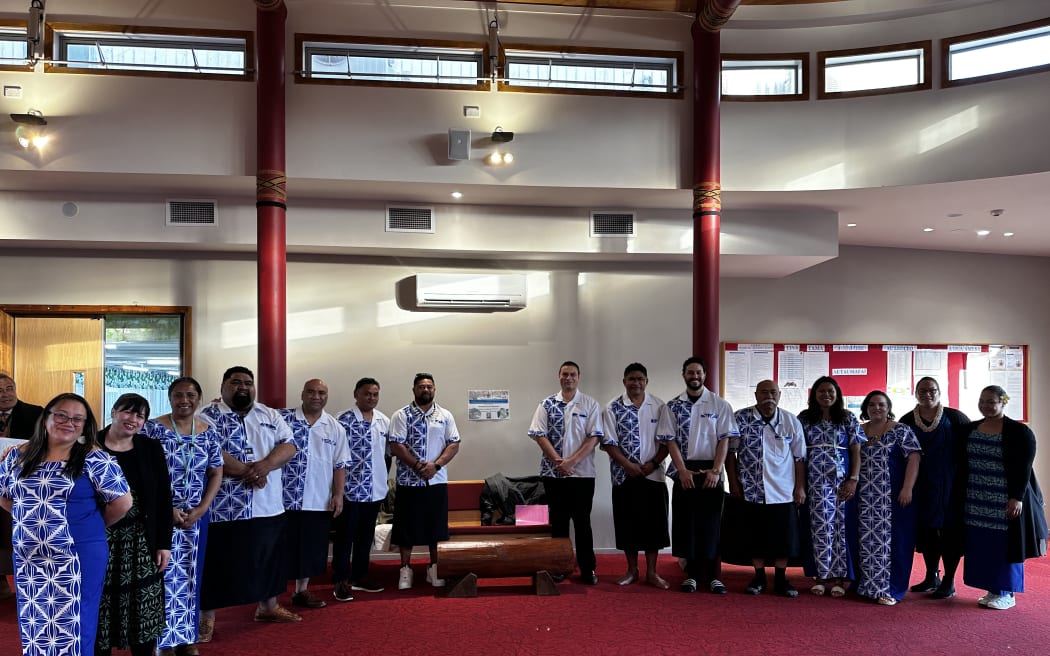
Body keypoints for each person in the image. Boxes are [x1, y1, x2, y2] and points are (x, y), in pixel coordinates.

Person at [0, 393, 132, 656]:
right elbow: (5, 497)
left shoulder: (94, 458)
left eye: (77, 418)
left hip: (77, 555)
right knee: (35, 624)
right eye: (61, 415)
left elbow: (122, 503)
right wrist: (34, 520)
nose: (68, 422)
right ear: (46, 417)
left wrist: (88, 526)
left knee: (75, 625)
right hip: (30, 560)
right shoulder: (17, 455)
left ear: (85, 426)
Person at [198, 366, 299, 641]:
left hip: (267, 504)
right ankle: (206, 618)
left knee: (267, 559)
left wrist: (264, 466)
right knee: (216, 564)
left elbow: (289, 445)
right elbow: (207, 449)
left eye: (247, 382)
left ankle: (268, 607)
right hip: (222, 507)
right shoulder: (205, 416)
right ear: (222, 386)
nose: (242, 387)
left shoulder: (269, 414)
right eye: (235, 382)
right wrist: (247, 471)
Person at [144, 377, 223, 656]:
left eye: (190, 395)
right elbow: (144, 475)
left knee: (191, 576)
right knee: (162, 576)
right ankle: (162, 641)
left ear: (199, 399)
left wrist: (203, 508)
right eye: (178, 395)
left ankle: (186, 638)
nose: (184, 400)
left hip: (195, 517)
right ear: (169, 398)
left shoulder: (209, 431)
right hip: (161, 515)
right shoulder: (152, 429)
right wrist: (167, 509)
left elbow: (216, 472)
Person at [96, 393, 173, 656]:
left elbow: (163, 498)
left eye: (140, 416)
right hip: (100, 536)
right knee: (101, 605)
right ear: (114, 411)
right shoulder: (89, 444)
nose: (133, 420)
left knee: (144, 607)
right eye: (128, 412)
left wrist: (164, 543)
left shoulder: (150, 448)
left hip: (141, 538)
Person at [957, 385, 1047, 610]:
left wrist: (1016, 497)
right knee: (982, 544)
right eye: (983, 401)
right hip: (976, 498)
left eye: (991, 401)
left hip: (1004, 500)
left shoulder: (1019, 432)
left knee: (1005, 546)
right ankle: (992, 589)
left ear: (1003, 403)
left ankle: (1007, 592)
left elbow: (1024, 468)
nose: (986, 405)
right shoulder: (970, 429)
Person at [666, 356, 739, 594]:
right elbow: (670, 441)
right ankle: (692, 575)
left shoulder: (719, 405)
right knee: (687, 522)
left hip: (712, 470)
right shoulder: (673, 405)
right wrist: (682, 470)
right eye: (690, 372)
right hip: (684, 469)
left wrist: (717, 471)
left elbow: (724, 440)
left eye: (698, 372)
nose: (694, 376)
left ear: (705, 375)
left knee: (712, 523)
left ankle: (715, 576)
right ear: (683, 375)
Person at [727, 380, 806, 598]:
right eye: (763, 392)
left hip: (783, 490)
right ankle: (759, 577)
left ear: (779, 395)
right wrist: (733, 484)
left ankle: (781, 579)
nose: (768, 396)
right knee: (755, 537)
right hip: (750, 489)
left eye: (773, 392)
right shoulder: (740, 418)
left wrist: (800, 488)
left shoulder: (790, 420)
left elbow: (800, 458)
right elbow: (730, 454)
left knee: (784, 538)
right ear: (755, 395)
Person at [527, 361, 604, 585]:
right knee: (559, 523)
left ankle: (587, 569)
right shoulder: (547, 404)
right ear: (558, 376)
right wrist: (560, 462)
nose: (568, 378)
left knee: (582, 523)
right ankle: (559, 568)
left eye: (572, 374)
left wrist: (572, 462)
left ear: (579, 377)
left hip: (583, 475)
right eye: (564, 374)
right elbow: (539, 435)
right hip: (554, 475)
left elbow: (594, 438)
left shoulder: (589, 404)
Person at [601, 363, 673, 589]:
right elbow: (609, 443)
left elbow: (668, 441)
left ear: (647, 381)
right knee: (627, 524)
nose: (636, 383)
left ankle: (652, 572)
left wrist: (653, 463)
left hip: (653, 476)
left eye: (640, 379)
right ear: (624, 382)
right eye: (631, 379)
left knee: (654, 526)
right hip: (624, 476)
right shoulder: (612, 407)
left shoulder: (660, 406)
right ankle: (632, 570)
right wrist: (627, 465)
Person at [279, 379, 349, 609]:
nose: (316, 396)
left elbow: (340, 464)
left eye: (321, 392)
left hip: (317, 499)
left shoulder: (335, 427)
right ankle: (270, 597)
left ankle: (302, 592)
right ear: (302, 394)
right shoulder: (282, 419)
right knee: (279, 548)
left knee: (310, 549)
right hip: (281, 499)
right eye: (311, 391)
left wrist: (338, 494)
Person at [898, 377, 970, 599]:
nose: (927, 394)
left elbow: (969, 450)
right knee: (926, 532)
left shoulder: (955, 418)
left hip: (951, 485)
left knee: (950, 533)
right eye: (922, 390)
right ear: (916, 393)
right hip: (919, 485)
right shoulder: (907, 419)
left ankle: (949, 581)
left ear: (940, 392)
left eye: (932, 390)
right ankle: (931, 575)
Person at [388, 372, 461, 590]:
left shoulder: (445, 415)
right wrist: (418, 466)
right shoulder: (401, 415)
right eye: (421, 387)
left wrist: (435, 466)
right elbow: (396, 445)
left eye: (429, 386)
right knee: (406, 527)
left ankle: (434, 567)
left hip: (436, 481)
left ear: (434, 389)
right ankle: (405, 569)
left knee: (435, 528)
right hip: (408, 481)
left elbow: (454, 443)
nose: (425, 390)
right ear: (414, 390)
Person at [797, 376, 865, 598]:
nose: (826, 395)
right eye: (821, 391)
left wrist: (853, 478)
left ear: (837, 395)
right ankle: (820, 576)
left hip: (842, 480)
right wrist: (800, 485)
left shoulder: (847, 418)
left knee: (840, 527)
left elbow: (856, 449)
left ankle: (839, 577)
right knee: (819, 527)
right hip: (814, 482)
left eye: (830, 391)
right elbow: (798, 453)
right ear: (814, 395)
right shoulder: (805, 419)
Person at [855, 390, 921, 606]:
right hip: (865, 497)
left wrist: (907, 488)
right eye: (872, 405)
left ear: (888, 407)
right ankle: (867, 586)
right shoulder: (858, 430)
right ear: (866, 407)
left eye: (881, 405)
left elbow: (914, 457)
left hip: (893, 497)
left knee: (895, 543)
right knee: (866, 541)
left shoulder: (901, 430)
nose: (876, 408)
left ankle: (891, 589)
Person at [332, 377, 391, 601]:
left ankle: (360, 576)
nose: (371, 398)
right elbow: (334, 455)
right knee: (345, 536)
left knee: (366, 537)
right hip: (349, 489)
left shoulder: (383, 421)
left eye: (375, 394)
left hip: (374, 489)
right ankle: (340, 579)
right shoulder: (341, 420)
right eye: (367, 393)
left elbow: (387, 456)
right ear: (356, 394)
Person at [0, 373, 43, 600]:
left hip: (22, 481)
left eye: (9, 388)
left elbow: (45, 441)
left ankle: (21, 581)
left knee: (12, 529)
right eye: (0, 390)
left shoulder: (35, 413)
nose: (6, 394)